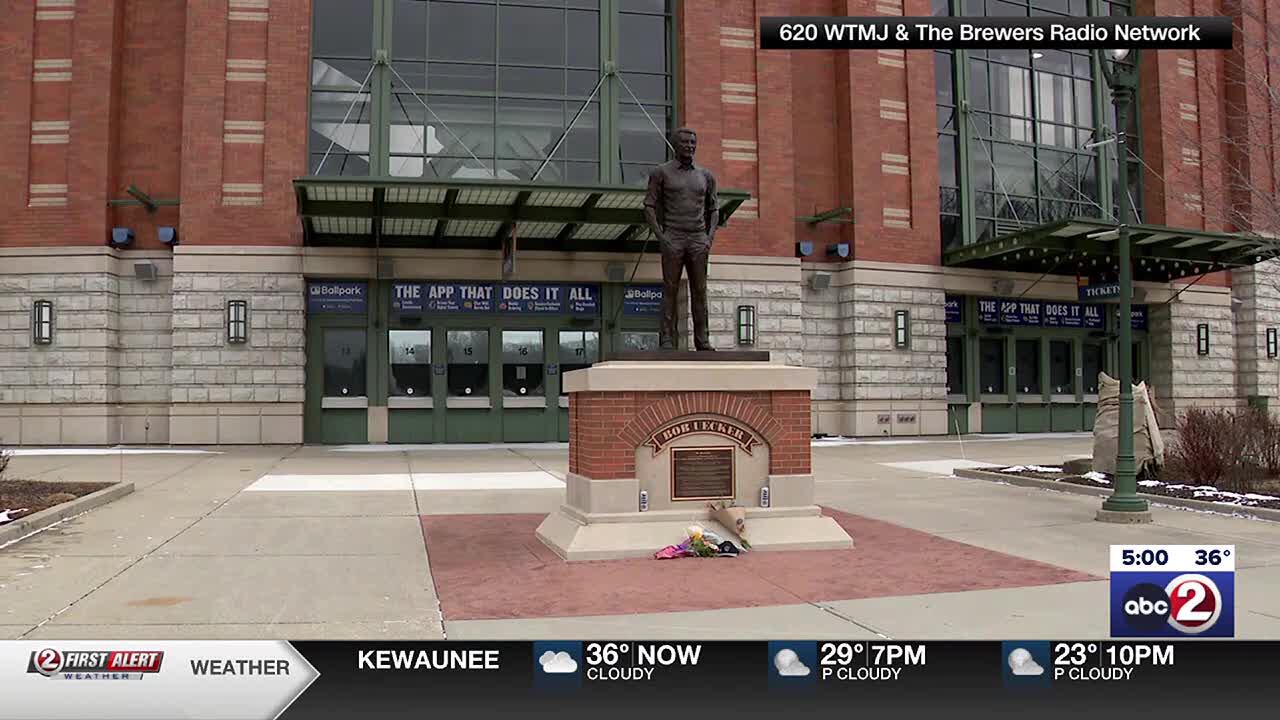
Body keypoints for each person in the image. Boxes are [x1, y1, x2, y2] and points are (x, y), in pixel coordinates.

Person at [643, 127, 719, 351]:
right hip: (673, 237)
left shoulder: (706, 176)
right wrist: (661, 237)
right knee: (670, 290)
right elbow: (648, 206)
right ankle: (666, 338)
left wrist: (709, 238)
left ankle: (702, 340)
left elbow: (714, 209)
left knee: (700, 291)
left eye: (693, 143)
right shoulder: (661, 173)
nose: (690, 146)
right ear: (675, 145)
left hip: (698, 239)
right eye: (685, 142)